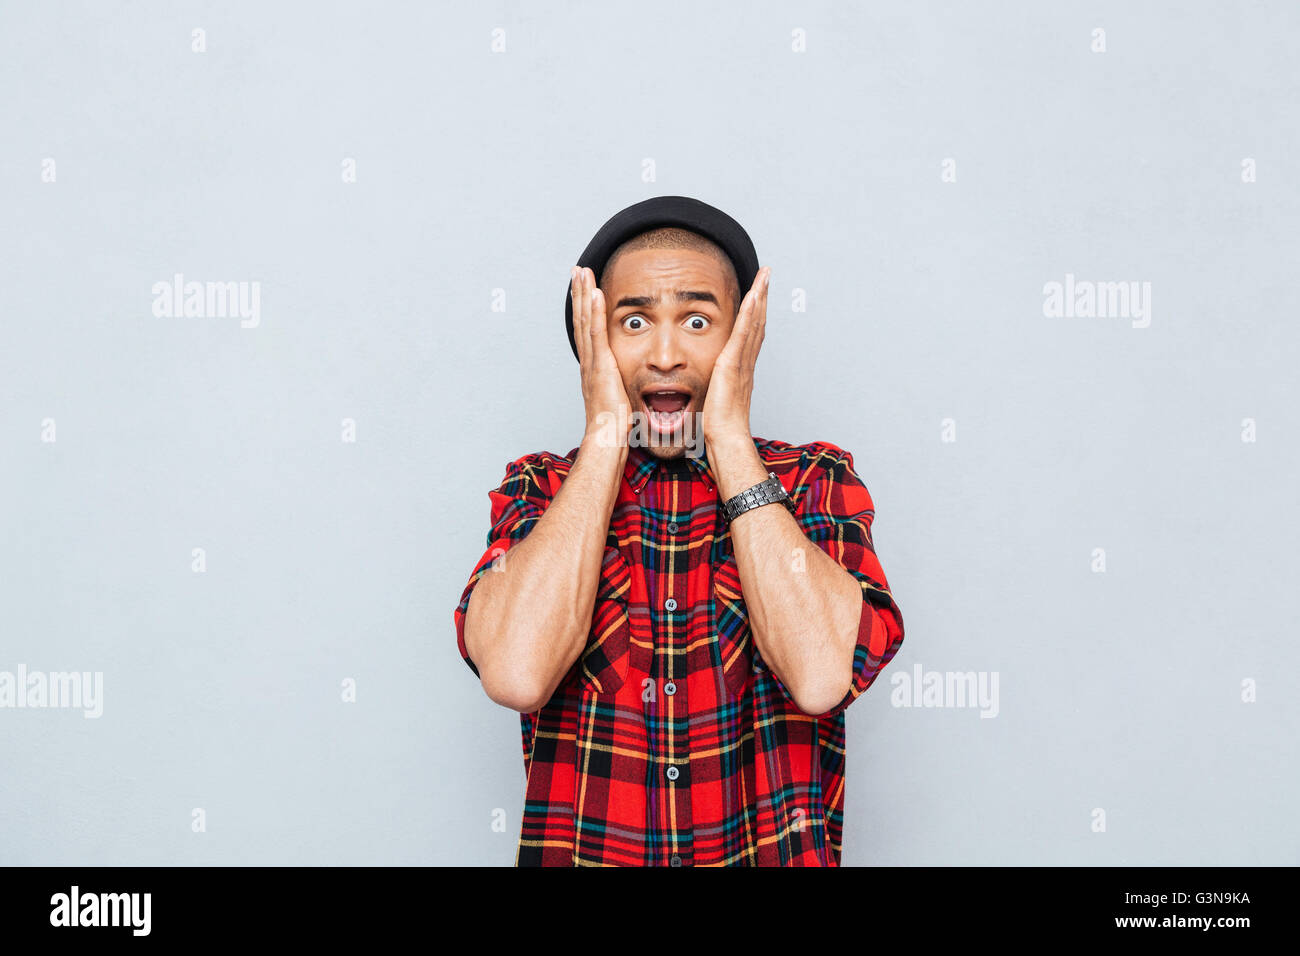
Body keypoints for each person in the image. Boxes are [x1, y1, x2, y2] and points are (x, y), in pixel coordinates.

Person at [453, 195, 905, 866]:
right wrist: (604, 435)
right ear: (594, 343)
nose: (665, 354)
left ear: (742, 339)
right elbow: (517, 673)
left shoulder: (813, 481)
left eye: (697, 320)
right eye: (633, 322)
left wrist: (727, 434)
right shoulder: (539, 489)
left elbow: (818, 678)